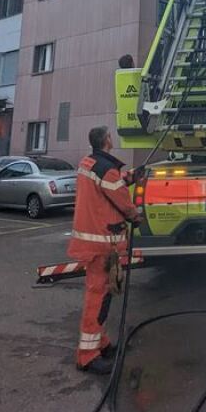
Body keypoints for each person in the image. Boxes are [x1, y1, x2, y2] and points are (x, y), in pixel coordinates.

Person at [68, 125, 139, 374]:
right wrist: (136, 216)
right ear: (106, 141)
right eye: (110, 136)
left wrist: (131, 176)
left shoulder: (88, 163)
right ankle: (87, 356)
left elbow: (110, 184)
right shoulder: (106, 170)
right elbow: (121, 199)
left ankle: (102, 343)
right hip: (103, 241)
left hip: (93, 239)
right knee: (98, 298)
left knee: (104, 295)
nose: (112, 138)